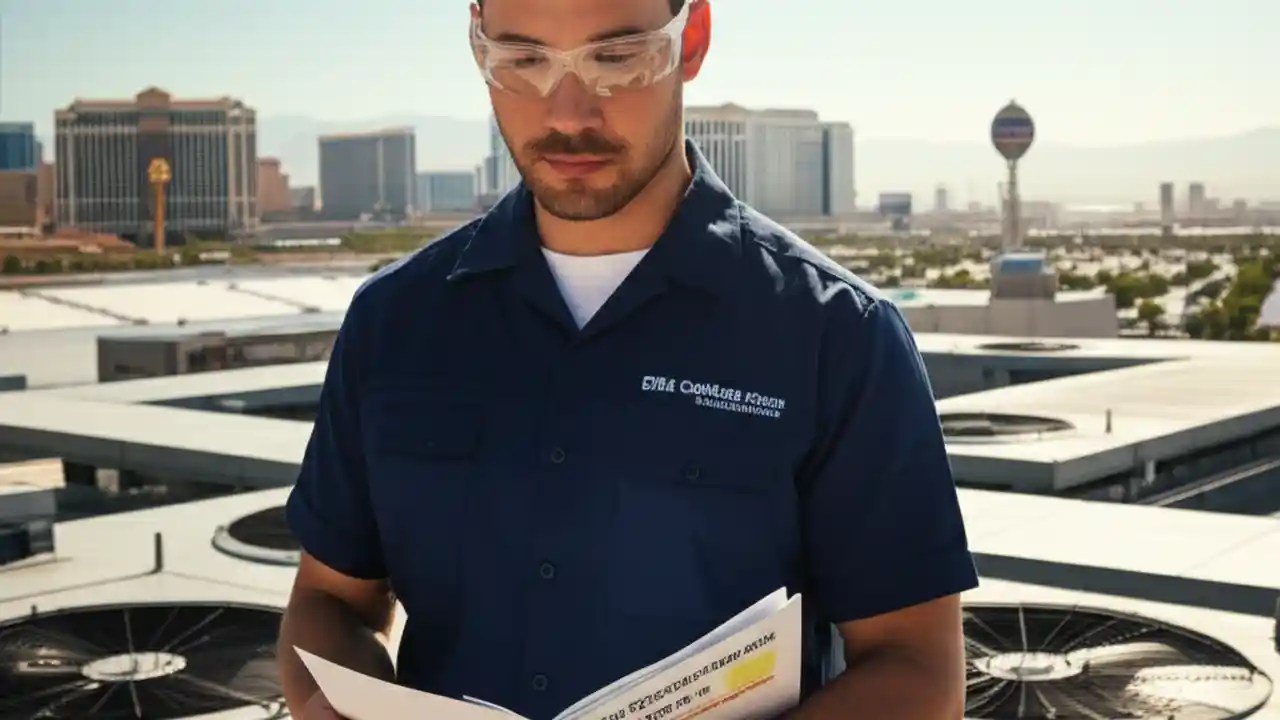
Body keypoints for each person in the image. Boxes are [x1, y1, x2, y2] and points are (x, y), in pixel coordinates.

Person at [277, 0, 979, 718]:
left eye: (616, 59)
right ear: (478, 46)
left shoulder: (840, 336)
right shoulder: (393, 321)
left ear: (693, 38)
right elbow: (331, 601)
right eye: (524, 60)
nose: (570, 113)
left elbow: (915, 667)